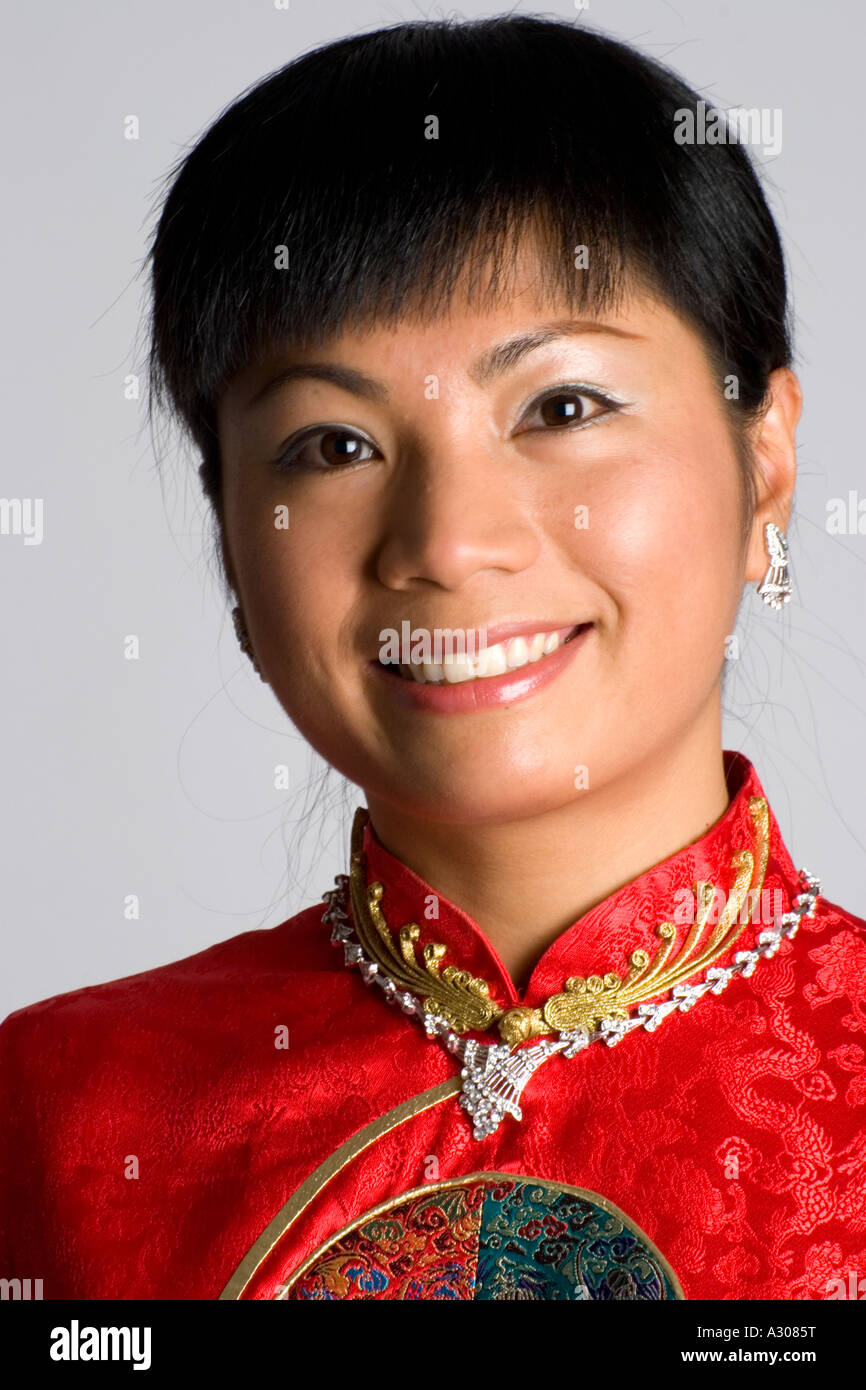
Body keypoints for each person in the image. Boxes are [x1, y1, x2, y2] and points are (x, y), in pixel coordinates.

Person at [2, 14, 864, 1302]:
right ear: (233, 536)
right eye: (332, 444)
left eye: (562, 408)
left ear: (766, 460)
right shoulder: (62, 1122)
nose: (450, 543)